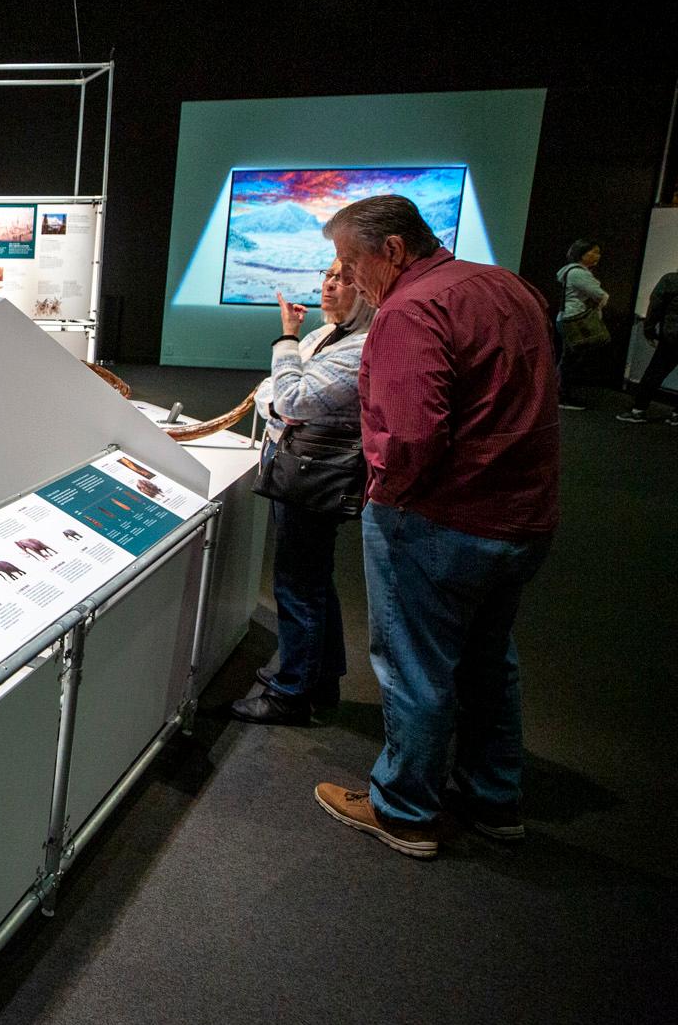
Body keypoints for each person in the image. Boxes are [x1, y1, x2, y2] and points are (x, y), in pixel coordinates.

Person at [314, 195, 559, 860]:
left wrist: (384, 496)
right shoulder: (508, 286)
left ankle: (406, 809)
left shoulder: (408, 309)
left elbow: (410, 437)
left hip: (438, 521)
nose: (349, 277)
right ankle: (492, 798)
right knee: (488, 659)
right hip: (522, 518)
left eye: (350, 261)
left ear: (392, 249)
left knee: (415, 666)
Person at [231, 260, 374, 726]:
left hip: (313, 477)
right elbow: (268, 392)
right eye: (328, 276)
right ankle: (321, 677)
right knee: (311, 579)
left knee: (297, 585)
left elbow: (289, 399)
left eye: (343, 278)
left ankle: (291, 693)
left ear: (368, 288)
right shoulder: (324, 336)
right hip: (303, 468)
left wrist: (287, 340)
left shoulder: (357, 347)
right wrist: (286, 380)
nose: (330, 285)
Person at [617, 267, 678, 423]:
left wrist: (649, 330)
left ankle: (639, 410)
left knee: (655, 372)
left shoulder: (671, 280)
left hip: (673, 336)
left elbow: (656, 305)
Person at [554, 238, 609, 410]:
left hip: (567, 317)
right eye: (592, 251)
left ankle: (560, 393)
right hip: (577, 319)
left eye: (598, 252)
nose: (596, 255)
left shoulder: (569, 271)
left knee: (567, 358)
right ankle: (562, 396)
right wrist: (603, 298)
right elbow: (600, 295)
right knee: (571, 360)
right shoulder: (579, 273)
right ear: (581, 253)